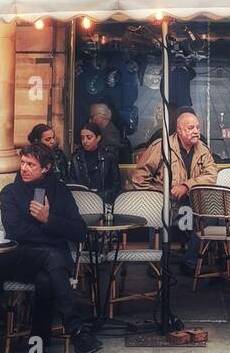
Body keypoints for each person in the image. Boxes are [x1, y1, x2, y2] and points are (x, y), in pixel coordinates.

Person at [0, 143, 102, 353]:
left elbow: (79, 231)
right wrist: (52, 233)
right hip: (20, 258)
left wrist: (48, 219)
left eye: (31, 164)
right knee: (53, 257)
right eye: (22, 163)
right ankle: (76, 330)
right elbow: (15, 232)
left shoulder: (60, 191)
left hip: (50, 264)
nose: (24, 168)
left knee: (46, 279)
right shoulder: (10, 192)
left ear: (46, 168)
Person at [131, 109, 217, 275]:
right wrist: (158, 195)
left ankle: (190, 262)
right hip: (166, 202)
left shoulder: (203, 150)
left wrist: (187, 185)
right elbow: (139, 177)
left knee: (211, 217)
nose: (196, 131)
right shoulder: (161, 147)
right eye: (191, 128)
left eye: (198, 128)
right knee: (156, 214)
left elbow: (211, 175)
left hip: (193, 203)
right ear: (179, 130)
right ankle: (155, 265)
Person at [70, 120, 122, 203]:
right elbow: (72, 184)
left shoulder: (109, 157)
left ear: (98, 138)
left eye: (89, 137)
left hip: (104, 202)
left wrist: (99, 196)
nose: (85, 141)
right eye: (82, 138)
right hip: (82, 202)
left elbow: (116, 186)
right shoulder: (76, 158)